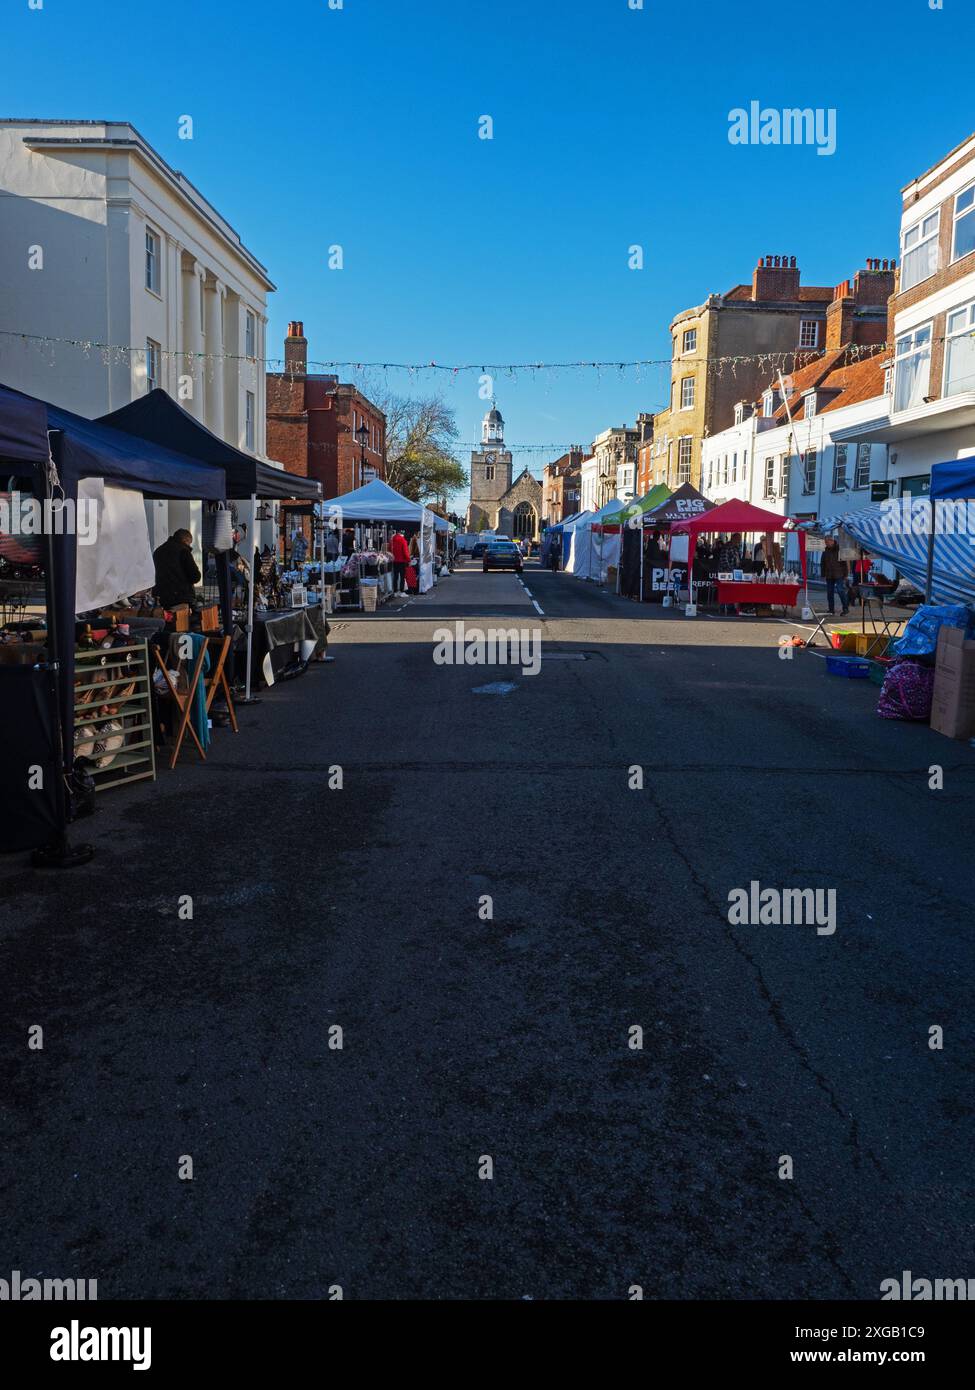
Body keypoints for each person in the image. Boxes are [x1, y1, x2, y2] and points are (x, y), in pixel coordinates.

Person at [153, 528, 201, 608]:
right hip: (181, 597)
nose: (189, 546)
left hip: (161, 596)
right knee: (182, 619)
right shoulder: (183, 551)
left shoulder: (158, 551)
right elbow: (195, 576)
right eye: (189, 543)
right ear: (185, 540)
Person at [821, 537, 850, 616]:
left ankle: (845, 608)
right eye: (825, 542)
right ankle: (831, 610)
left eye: (827, 542)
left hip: (839, 574)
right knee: (829, 592)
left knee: (840, 590)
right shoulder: (825, 550)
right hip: (829, 574)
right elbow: (822, 563)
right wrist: (823, 574)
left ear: (832, 541)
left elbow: (845, 562)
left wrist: (846, 574)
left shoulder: (839, 549)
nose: (826, 543)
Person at [389, 528, 411, 592]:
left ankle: (395, 590)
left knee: (395, 576)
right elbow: (405, 552)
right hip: (402, 561)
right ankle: (401, 590)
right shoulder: (403, 540)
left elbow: (389, 550)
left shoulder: (392, 540)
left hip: (394, 561)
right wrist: (408, 560)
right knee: (402, 577)